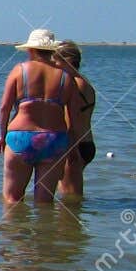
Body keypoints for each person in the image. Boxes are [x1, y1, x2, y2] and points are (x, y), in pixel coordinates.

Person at [0, 28, 74, 204]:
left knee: (13, 199)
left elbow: (4, 108)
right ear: (53, 50)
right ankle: (44, 231)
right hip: (54, 140)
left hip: (20, 137)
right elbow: (74, 119)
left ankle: (14, 231)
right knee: (45, 203)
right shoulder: (65, 76)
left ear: (31, 49)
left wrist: (2, 136)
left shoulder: (19, 70)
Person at [56, 41, 96, 199]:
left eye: (55, 60)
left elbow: (69, 123)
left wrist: (70, 153)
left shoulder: (73, 85)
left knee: (68, 202)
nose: (52, 64)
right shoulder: (85, 82)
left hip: (74, 146)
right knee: (71, 200)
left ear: (67, 60)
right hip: (86, 144)